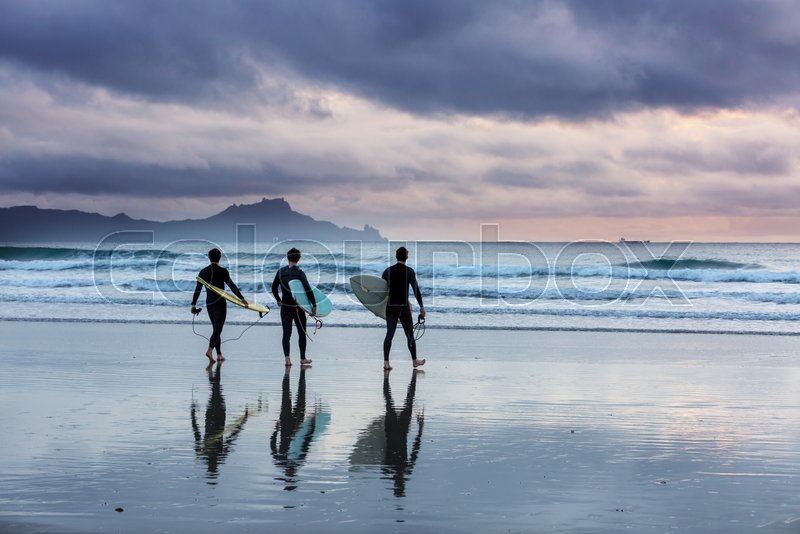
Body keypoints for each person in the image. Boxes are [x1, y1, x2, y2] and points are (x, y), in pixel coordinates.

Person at [191, 248, 248, 364]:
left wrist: (193, 305)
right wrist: (242, 299)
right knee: (218, 329)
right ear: (219, 258)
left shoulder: (203, 272)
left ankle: (219, 355)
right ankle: (210, 350)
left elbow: (197, 290)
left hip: (209, 303)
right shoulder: (223, 271)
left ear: (209, 257)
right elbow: (231, 285)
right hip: (220, 303)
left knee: (216, 329)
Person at [381, 246, 426, 370]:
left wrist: (377, 306)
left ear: (396, 256)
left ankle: (386, 362)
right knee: (410, 334)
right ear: (406, 257)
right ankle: (414, 360)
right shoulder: (409, 271)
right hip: (403, 307)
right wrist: (421, 307)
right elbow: (415, 290)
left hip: (391, 307)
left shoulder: (387, 271)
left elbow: (380, 291)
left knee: (389, 334)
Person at [272, 247, 317, 367]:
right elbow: (308, 289)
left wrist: (278, 300)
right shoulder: (299, 273)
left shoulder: (281, 272)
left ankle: (287, 359)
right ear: (298, 259)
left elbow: (273, 287)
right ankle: (302, 358)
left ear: (288, 258)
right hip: (297, 308)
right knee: (302, 333)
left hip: (285, 307)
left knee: (286, 334)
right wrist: (314, 305)